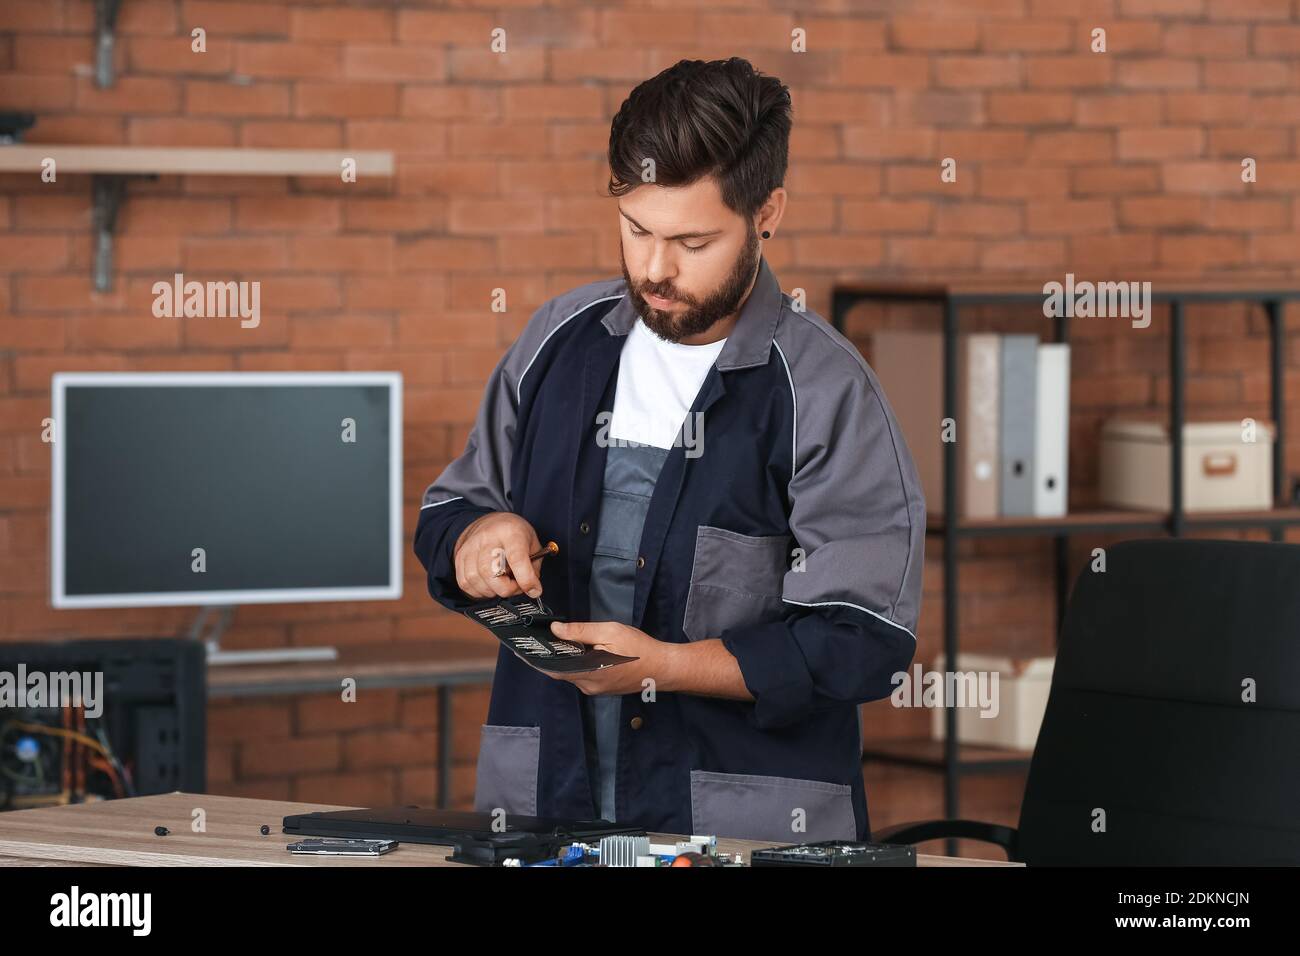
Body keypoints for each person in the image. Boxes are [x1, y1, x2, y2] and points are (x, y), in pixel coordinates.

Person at [414, 57, 925, 843]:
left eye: (692, 241)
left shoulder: (824, 391)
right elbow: (452, 508)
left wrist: (665, 667)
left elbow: (863, 642)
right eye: (636, 230)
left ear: (768, 213)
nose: (655, 268)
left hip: (744, 825)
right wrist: (477, 538)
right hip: (547, 809)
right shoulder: (558, 342)